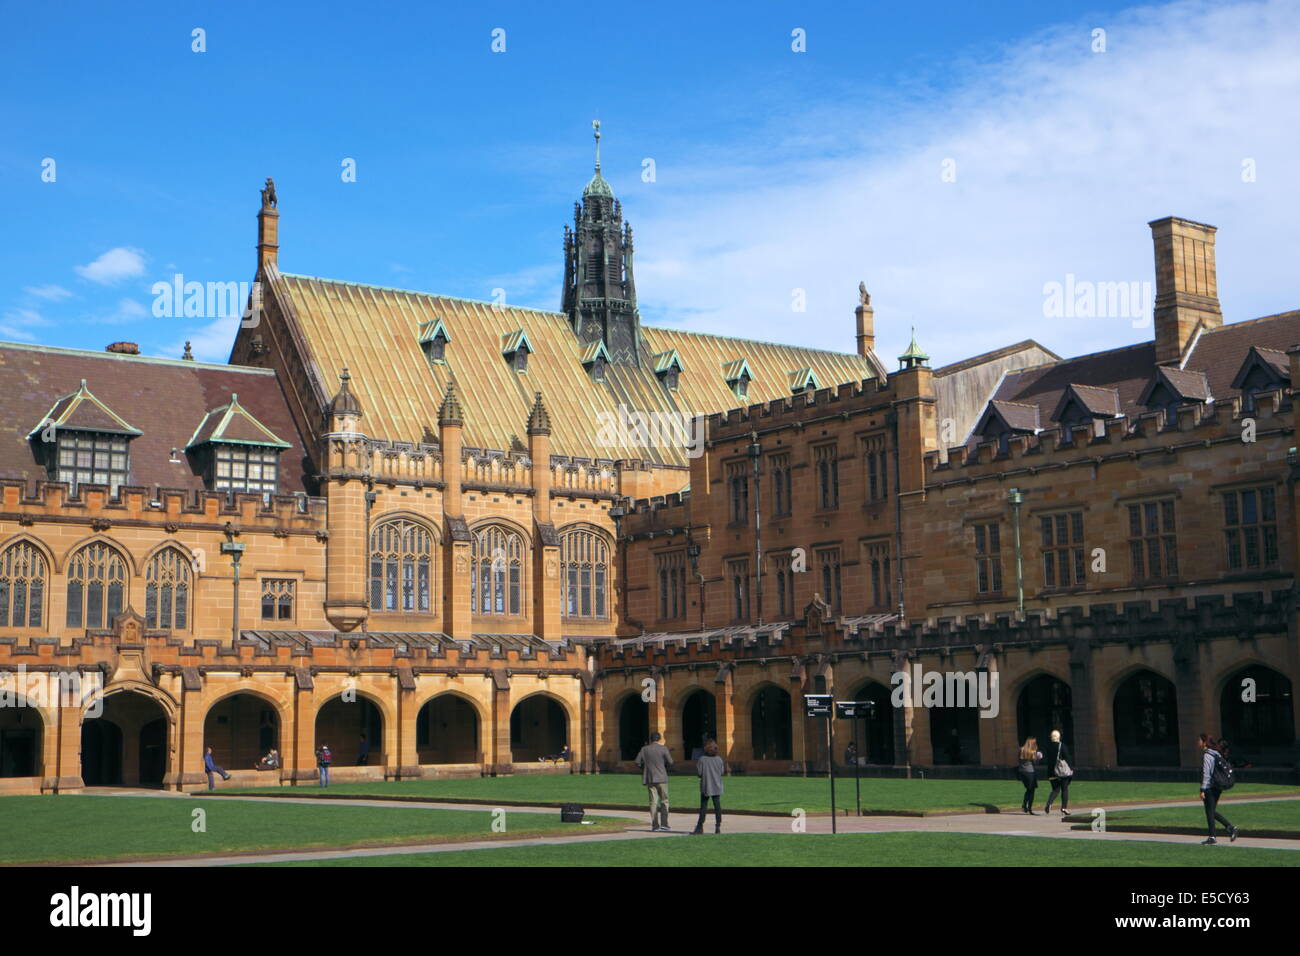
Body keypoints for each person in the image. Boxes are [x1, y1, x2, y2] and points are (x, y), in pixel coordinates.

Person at [1198, 733, 1239, 845]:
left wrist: (1202, 789)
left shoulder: (1207, 755)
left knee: (1210, 812)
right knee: (1211, 811)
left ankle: (1214, 835)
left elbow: (1206, 773)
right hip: (1218, 786)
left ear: (1204, 742)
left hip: (1210, 787)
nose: (1198, 742)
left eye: (1199, 740)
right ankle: (1229, 828)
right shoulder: (1216, 753)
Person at [635, 731, 674, 831]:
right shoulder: (663, 748)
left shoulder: (644, 749)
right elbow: (671, 762)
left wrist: (644, 768)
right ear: (659, 739)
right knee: (664, 801)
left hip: (650, 777)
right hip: (662, 777)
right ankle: (664, 824)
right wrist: (664, 766)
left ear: (650, 739)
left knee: (653, 802)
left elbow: (637, 762)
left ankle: (655, 825)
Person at [691, 739, 726, 834]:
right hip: (717, 786)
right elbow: (722, 772)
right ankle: (718, 827)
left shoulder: (702, 759)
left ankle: (699, 827)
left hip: (706, 786)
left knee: (703, 807)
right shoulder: (719, 759)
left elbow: (699, 773)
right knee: (717, 806)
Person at [1043, 730, 1073, 815]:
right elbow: (1068, 757)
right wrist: (1071, 769)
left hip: (1051, 771)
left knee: (1055, 789)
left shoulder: (1048, 746)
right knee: (1064, 789)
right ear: (1059, 737)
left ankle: (1049, 804)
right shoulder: (1062, 746)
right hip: (1062, 771)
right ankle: (1064, 808)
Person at [1017, 737, 1042, 813]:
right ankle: (1029, 808)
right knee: (1031, 790)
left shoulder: (1021, 750)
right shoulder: (1032, 752)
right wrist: (1039, 758)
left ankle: (1024, 805)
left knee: (1028, 789)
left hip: (1022, 772)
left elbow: (1019, 760)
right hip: (1030, 772)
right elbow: (1035, 763)